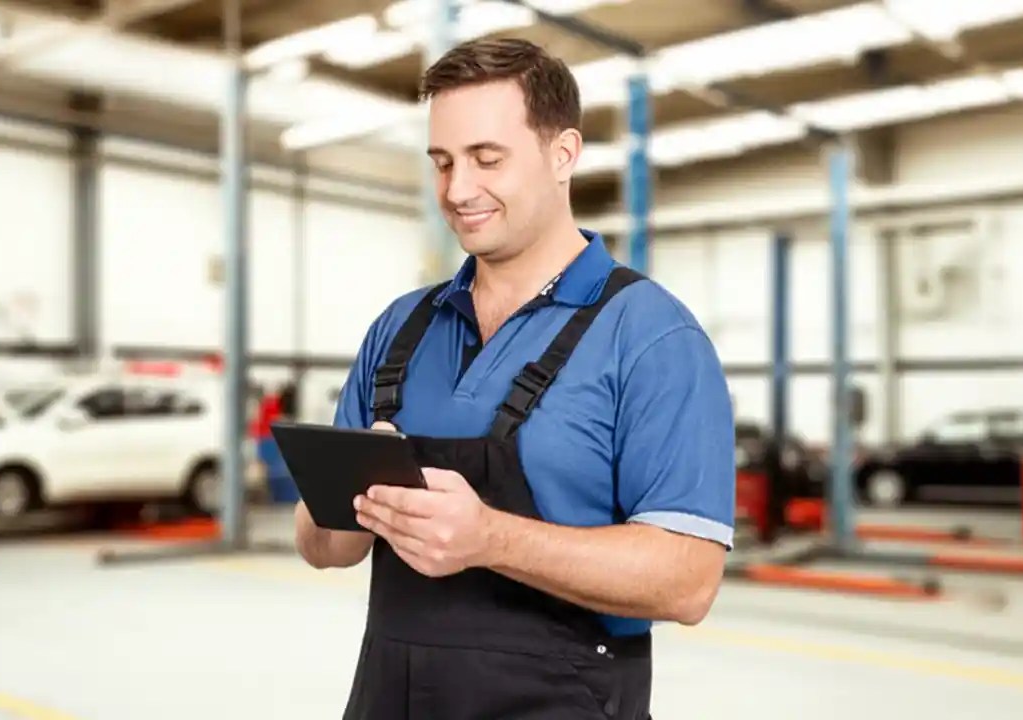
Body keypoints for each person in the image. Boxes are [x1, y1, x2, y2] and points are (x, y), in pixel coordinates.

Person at [294, 37, 734, 720]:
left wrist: (488, 538)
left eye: (486, 159)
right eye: (442, 162)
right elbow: (322, 546)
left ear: (563, 154)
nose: (457, 190)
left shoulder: (650, 337)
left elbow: (689, 582)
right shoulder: (399, 329)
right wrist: (354, 505)